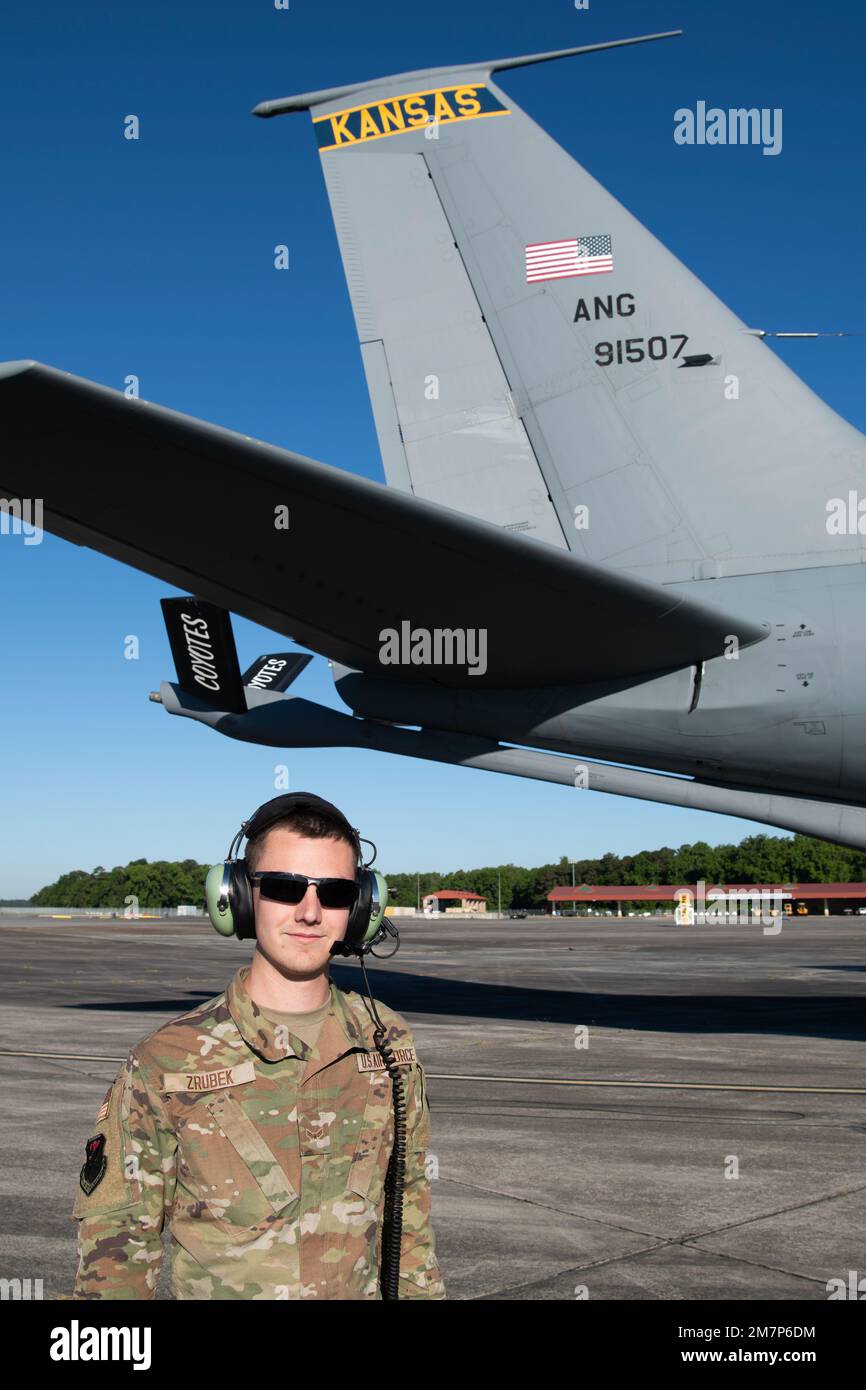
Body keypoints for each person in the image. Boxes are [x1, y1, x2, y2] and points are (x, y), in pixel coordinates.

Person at [70, 792, 445, 1300]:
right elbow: (116, 1259)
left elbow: (411, 1226)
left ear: (360, 909)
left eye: (334, 893)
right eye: (285, 888)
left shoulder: (389, 1043)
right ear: (239, 899)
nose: (310, 912)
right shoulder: (167, 1061)